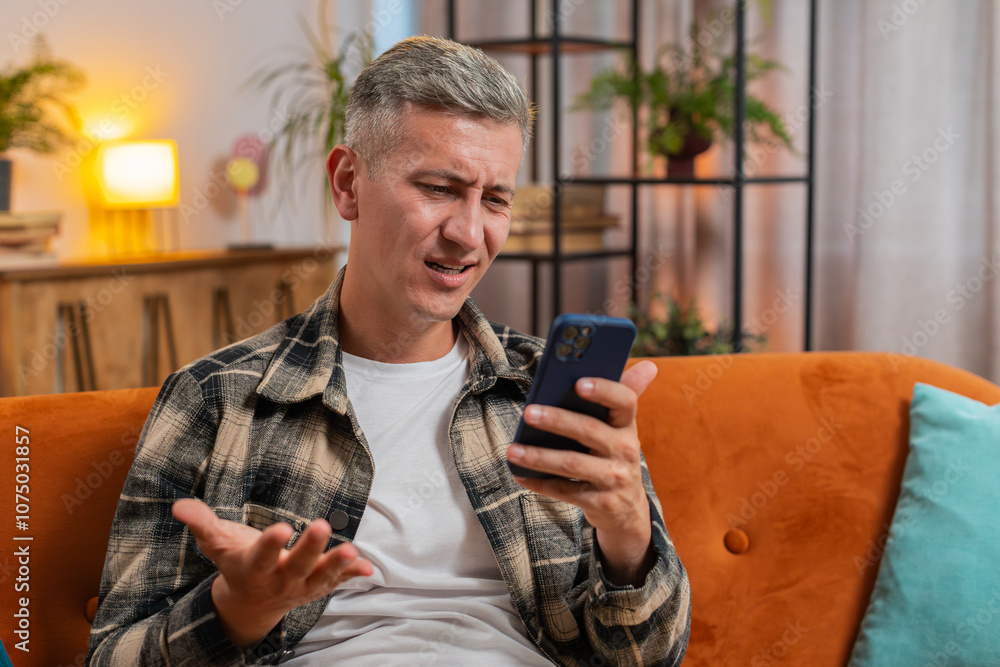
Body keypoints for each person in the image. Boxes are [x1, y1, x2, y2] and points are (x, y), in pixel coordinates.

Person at [88, 35, 690, 666]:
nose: (467, 234)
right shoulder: (219, 398)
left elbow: (648, 659)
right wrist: (239, 608)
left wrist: (628, 537)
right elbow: (113, 658)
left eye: (495, 199)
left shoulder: (545, 391)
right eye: (437, 187)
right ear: (348, 183)